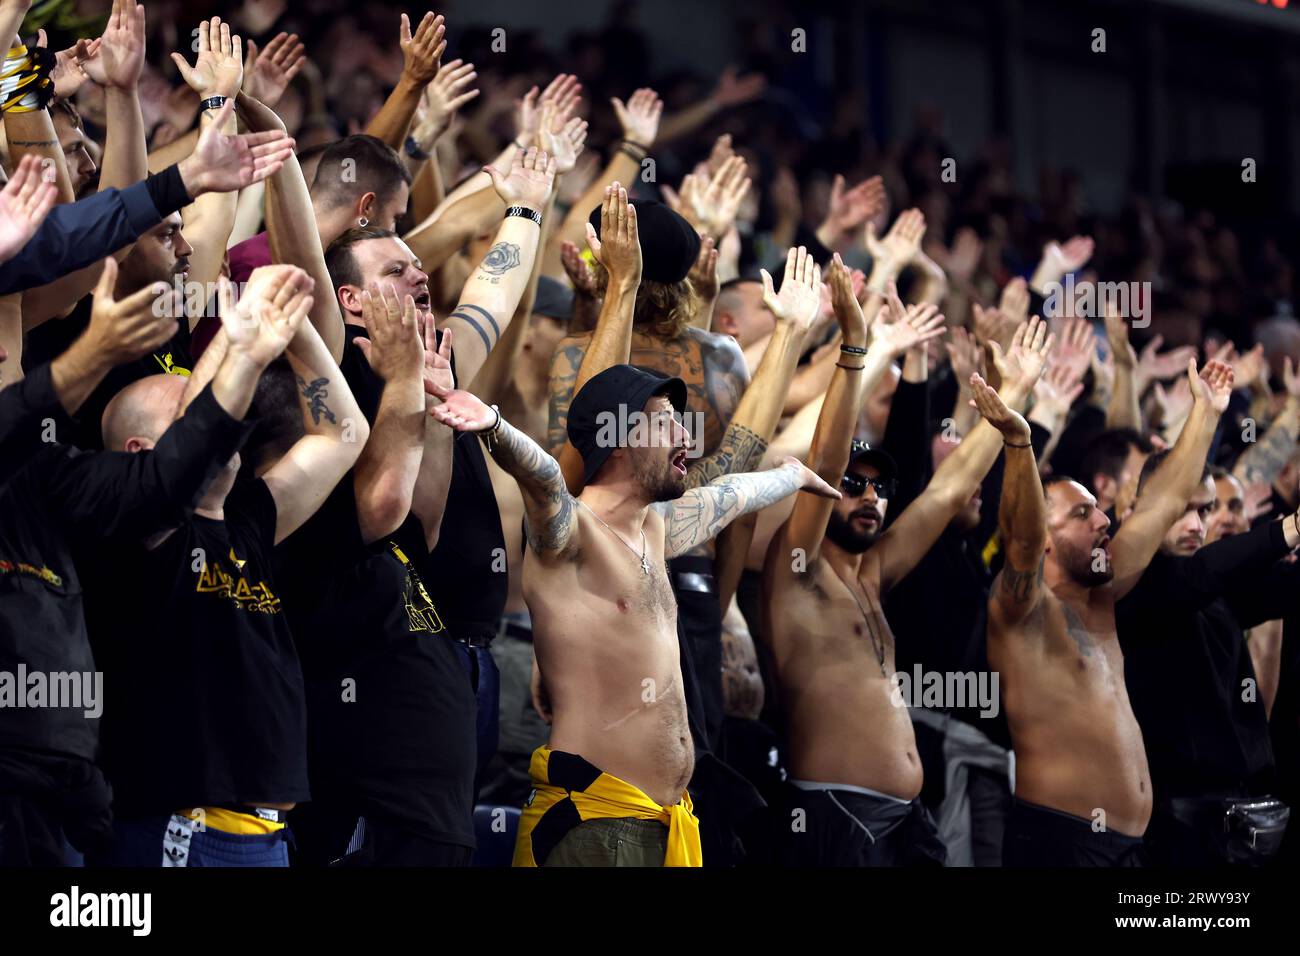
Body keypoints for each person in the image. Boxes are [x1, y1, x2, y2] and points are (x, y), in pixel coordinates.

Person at [428, 361, 838, 867]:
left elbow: (732, 496)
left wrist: (789, 475)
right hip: (593, 826)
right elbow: (543, 477)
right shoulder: (569, 536)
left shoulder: (656, 528)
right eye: (667, 420)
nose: (686, 434)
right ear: (617, 436)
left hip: (663, 825)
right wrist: (494, 424)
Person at [0, 258, 288, 866]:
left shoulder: (57, 478)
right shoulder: (124, 537)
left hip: (62, 805)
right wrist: (97, 352)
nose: (10, 368)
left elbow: (172, 470)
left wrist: (242, 356)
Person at [82, 265, 366, 867]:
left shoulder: (246, 524)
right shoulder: (133, 529)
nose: (227, 417)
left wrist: (295, 322)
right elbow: (200, 429)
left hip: (263, 836)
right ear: (142, 453)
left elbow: (344, 432)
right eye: (187, 405)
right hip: (183, 829)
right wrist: (237, 333)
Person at [761, 264, 1043, 867]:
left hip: (904, 823)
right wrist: (857, 350)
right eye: (855, 487)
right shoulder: (797, 566)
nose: (872, 498)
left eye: (880, 489)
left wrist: (1013, 401)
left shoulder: (873, 572)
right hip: (834, 816)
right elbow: (826, 457)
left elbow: (944, 495)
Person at [988, 357, 1234, 866]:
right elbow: (1022, 538)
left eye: (1097, 509)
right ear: (1047, 542)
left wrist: (1205, 414)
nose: (1103, 519)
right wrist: (1020, 445)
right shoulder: (1022, 608)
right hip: (1059, 846)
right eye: (1082, 514)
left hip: (1127, 850)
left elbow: (1161, 504)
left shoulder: (1102, 594)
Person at [1117, 452, 1300, 865]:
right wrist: (1290, 528)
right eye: (1184, 510)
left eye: (1205, 510)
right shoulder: (1133, 585)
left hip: (1240, 823)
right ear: (1142, 510)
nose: (1196, 526)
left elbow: (1287, 586)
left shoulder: (1217, 589)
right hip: (1173, 833)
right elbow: (1198, 577)